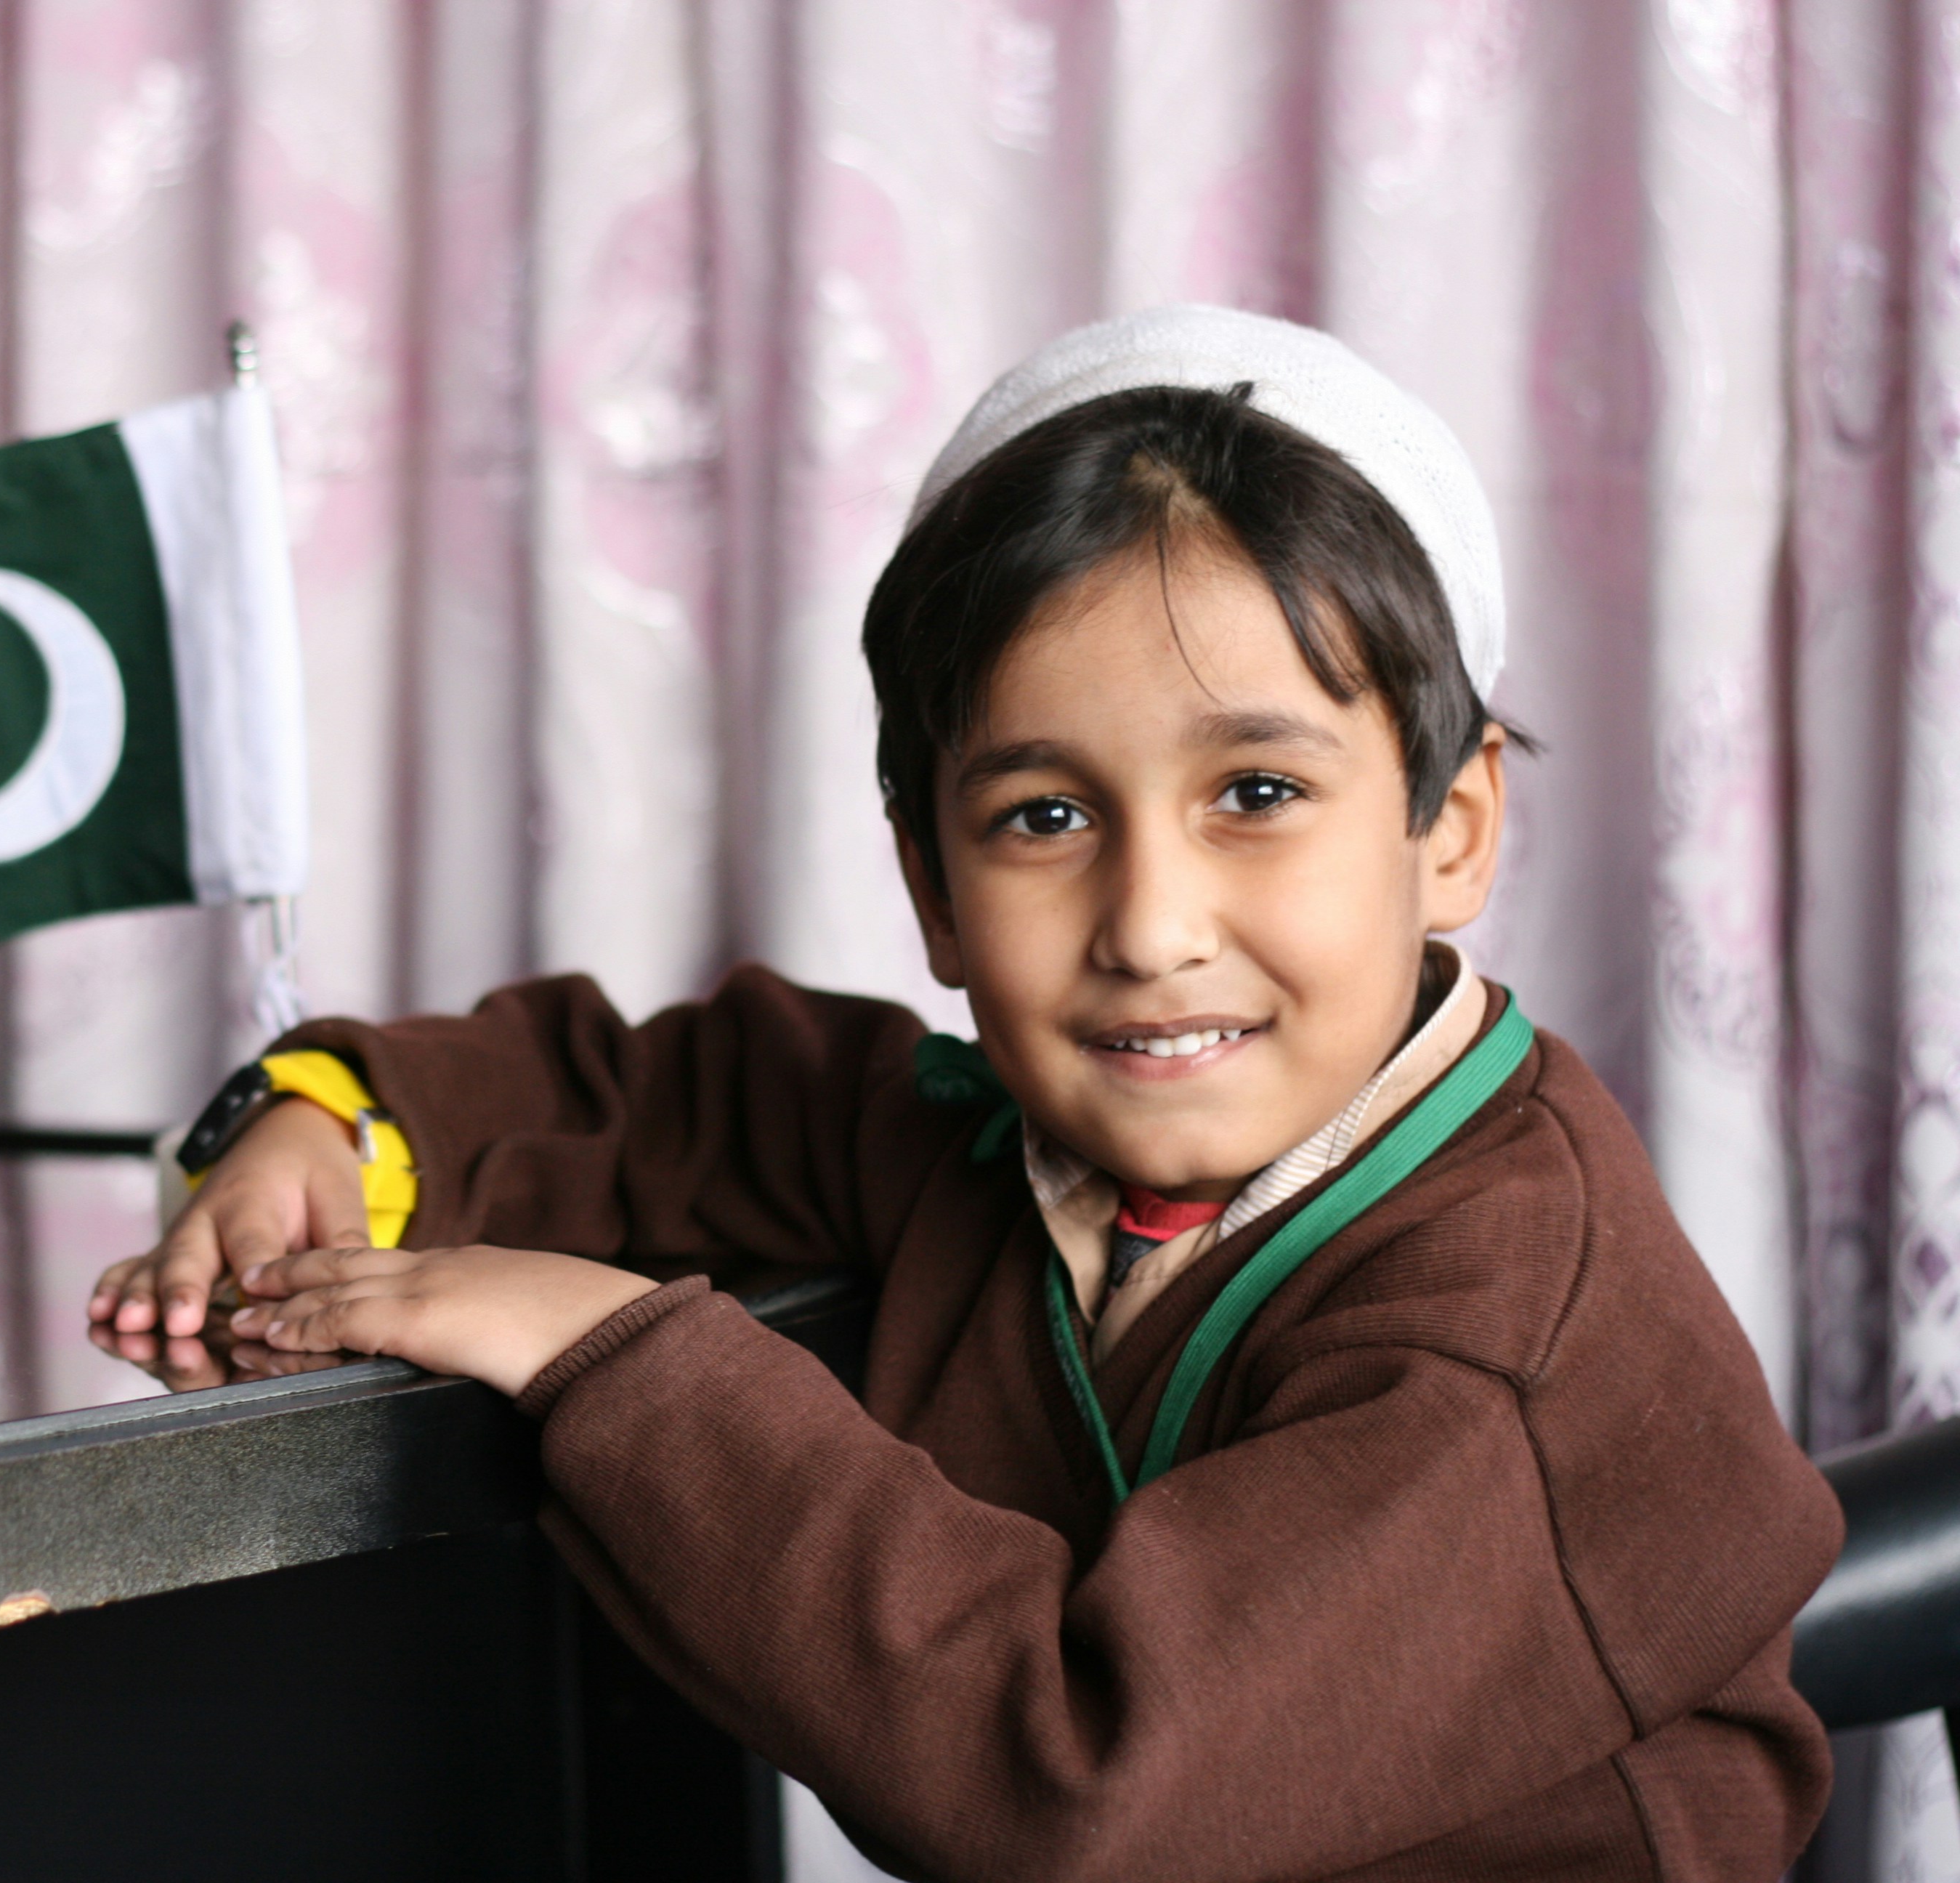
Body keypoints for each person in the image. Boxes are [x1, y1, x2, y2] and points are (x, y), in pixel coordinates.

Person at [89, 305, 1842, 1882]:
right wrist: (335, 1118)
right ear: (932, 888)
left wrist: (596, 1344)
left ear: (1445, 826)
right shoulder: (997, 1145)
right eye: (1045, 818)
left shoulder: (1512, 1334)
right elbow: (639, 1094)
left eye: (1255, 792)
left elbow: (1073, 1785)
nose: (1152, 928)